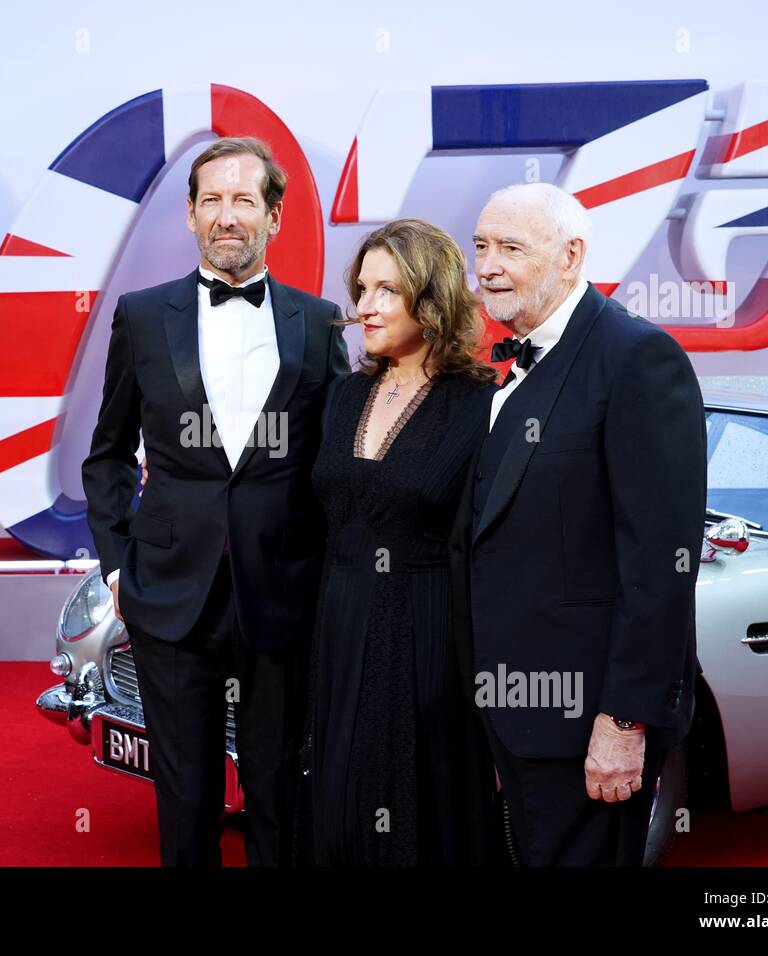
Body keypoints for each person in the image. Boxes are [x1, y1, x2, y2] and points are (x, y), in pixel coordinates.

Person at [81, 136, 350, 866]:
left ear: (274, 216)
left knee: (278, 785)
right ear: (192, 218)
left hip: (283, 590)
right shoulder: (141, 316)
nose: (226, 217)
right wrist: (116, 567)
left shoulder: (319, 321)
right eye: (211, 202)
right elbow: (106, 455)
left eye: (243, 200)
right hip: (172, 591)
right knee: (186, 789)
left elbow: (336, 462)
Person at [449, 182, 707, 866]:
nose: (489, 266)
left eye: (511, 248)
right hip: (507, 713)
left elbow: (660, 566)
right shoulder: (508, 366)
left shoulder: (636, 360)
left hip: (587, 721)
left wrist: (624, 721)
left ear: (571, 257)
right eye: (480, 247)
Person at [293, 218, 501, 866]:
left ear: (430, 297)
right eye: (362, 288)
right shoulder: (342, 396)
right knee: (338, 802)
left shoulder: (482, 403)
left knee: (421, 806)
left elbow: (497, 544)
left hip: (430, 636)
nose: (366, 307)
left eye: (387, 289)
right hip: (338, 626)